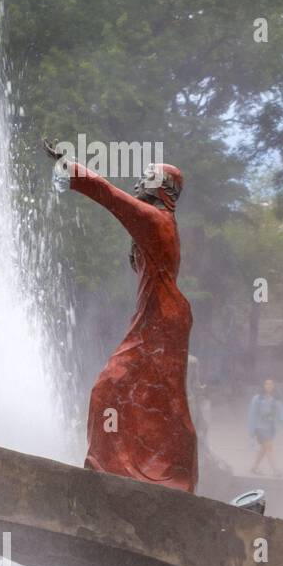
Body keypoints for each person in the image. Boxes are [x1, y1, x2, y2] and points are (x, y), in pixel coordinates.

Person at [47, 141, 197, 492]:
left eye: (146, 179)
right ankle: (153, 473)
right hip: (161, 314)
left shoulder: (156, 220)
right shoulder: (157, 222)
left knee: (111, 387)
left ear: (163, 188)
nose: (138, 184)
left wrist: (72, 169)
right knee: (153, 397)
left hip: (163, 318)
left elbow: (111, 197)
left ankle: (113, 470)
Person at [249, 378, 283, 476]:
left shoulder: (276, 399)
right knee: (269, 447)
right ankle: (275, 470)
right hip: (259, 428)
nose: (269, 386)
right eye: (266, 384)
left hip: (270, 428)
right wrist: (252, 431)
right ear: (263, 386)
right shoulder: (257, 399)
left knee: (264, 449)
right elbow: (252, 415)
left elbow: (282, 413)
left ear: (273, 386)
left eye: (271, 384)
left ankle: (254, 467)